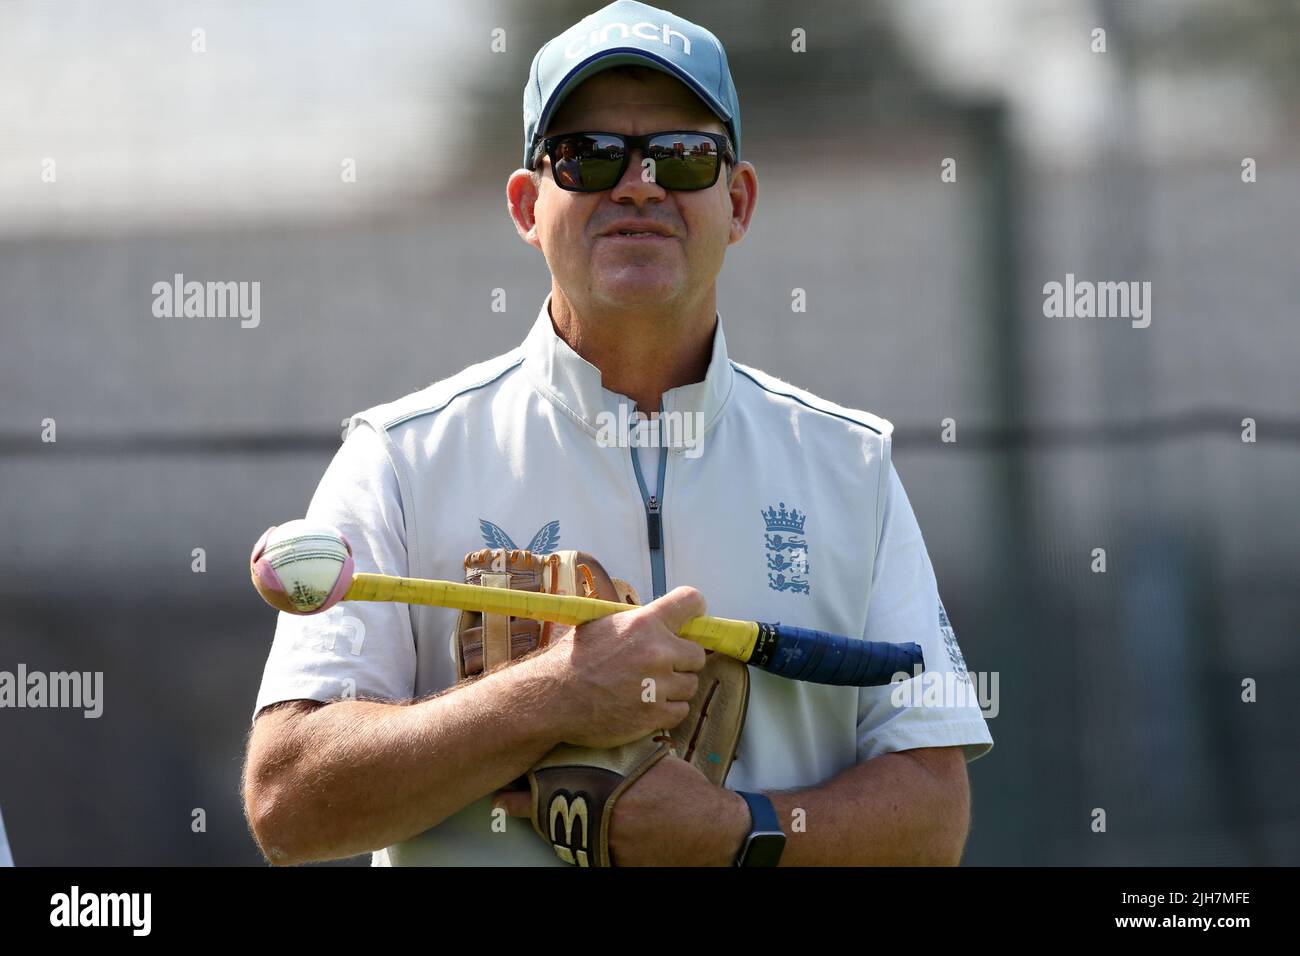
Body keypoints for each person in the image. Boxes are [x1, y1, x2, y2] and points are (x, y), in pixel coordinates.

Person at [242, 0, 992, 867]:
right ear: (528, 206)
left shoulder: (849, 464)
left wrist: (736, 831)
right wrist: (553, 698)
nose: (640, 184)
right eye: (589, 158)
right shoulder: (399, 459)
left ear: (738, 200)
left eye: (682, 155)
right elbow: (286, 801)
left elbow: (935, 811)